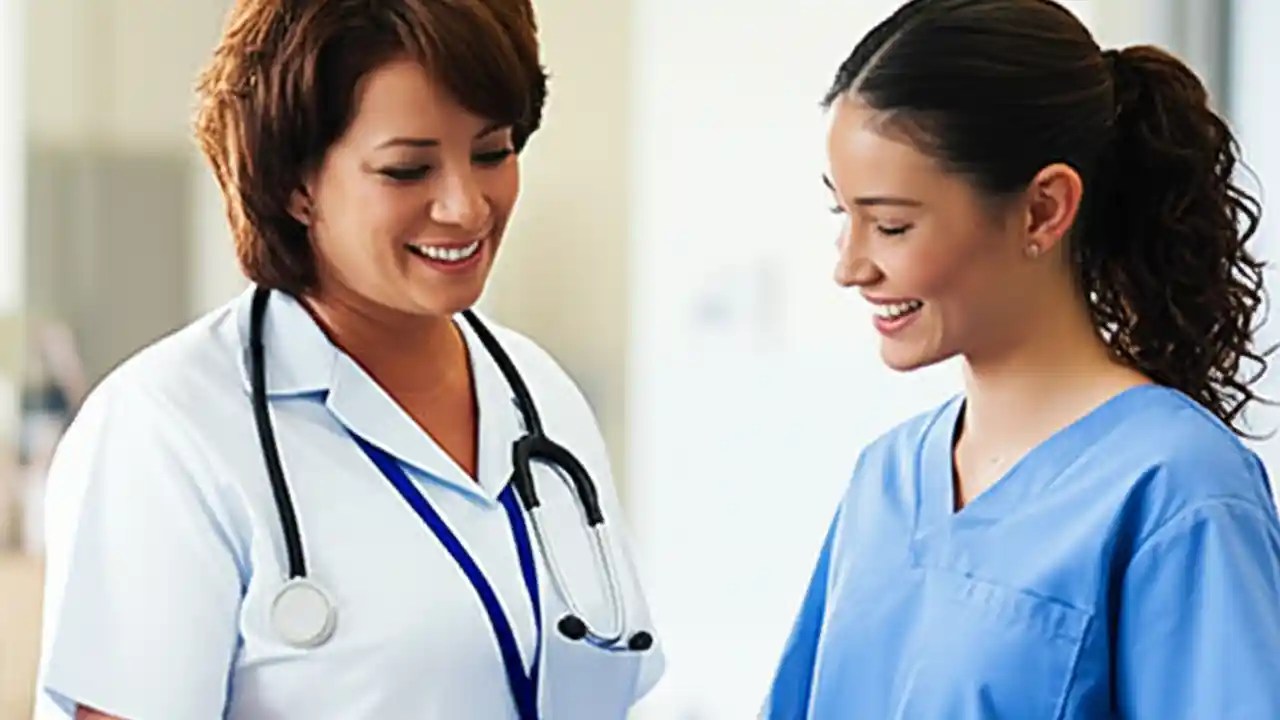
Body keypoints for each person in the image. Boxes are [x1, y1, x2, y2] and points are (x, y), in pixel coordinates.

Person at [34, 2, 663, 718]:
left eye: (493, 152)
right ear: (295, 185)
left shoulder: (541, 397)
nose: (465, 205)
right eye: (407, 170)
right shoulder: (170, 427)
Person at [763, 0, 1280, 718]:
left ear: (1043, 210)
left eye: (890, 225)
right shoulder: (882, 482)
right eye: (841, 216)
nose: (851, 266)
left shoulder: (1177, 490)